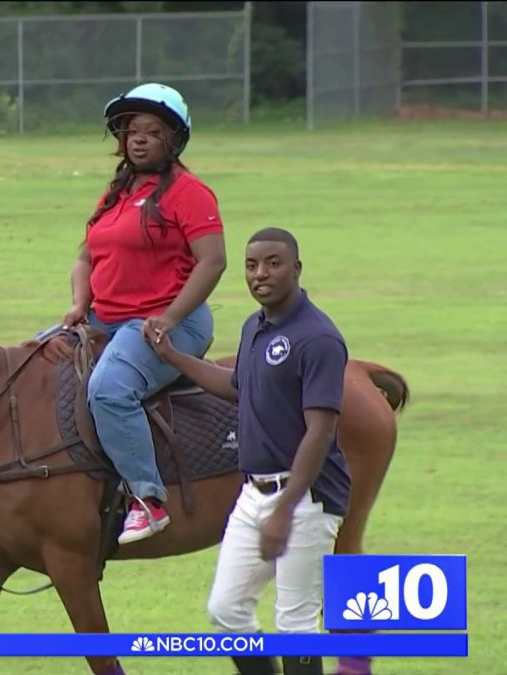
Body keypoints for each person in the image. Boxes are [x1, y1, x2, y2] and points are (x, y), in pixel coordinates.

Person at [145, 227, 350, 675]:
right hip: (254, 493)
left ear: (296, 269)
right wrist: (175, 359)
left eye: (273, 263)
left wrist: (284, 510)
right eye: (252, 265)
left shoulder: (318, 339)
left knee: (295, 624)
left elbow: (320, 432)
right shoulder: (254, 326)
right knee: (227, 610)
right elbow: (238, 386)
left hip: (306, 499)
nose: (261, 274)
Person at [56, 82, 227, 545]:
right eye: (131, 131)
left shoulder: (190, 193)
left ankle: (146, 499)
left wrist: (170, 318)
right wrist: (79, 304)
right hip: (104, 320)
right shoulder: (116, 192)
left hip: (169, 323)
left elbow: (213, 261)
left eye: (153, 131)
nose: (139, 139)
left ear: (174, 140)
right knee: (33, 361)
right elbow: (86, 258)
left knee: (110, 390)